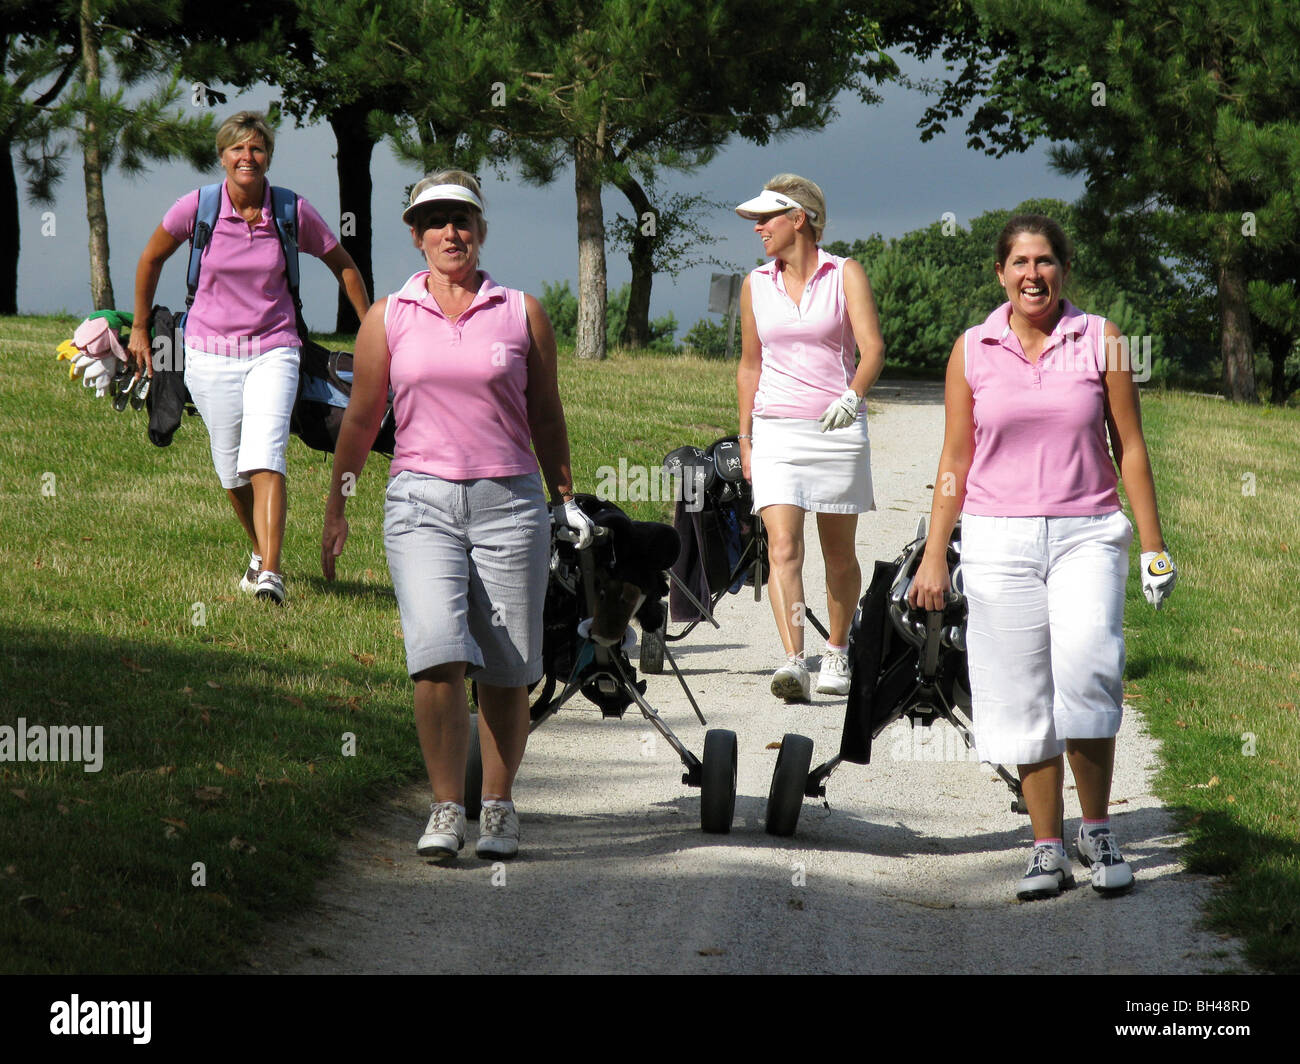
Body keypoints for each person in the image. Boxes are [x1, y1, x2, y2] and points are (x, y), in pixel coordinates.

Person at [321, 170, 595, 862]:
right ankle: (447, 808)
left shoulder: (521, 312)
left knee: (507, 668)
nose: (451, 232)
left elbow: (546, 414)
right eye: (435, 221)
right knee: (437, 655)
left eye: (462, 219)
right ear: (415, 236)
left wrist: (564, 500)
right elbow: (360, 418)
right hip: (420, 502)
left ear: (481, 229)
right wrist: (338, 505)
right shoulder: (389, 317)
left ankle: (498, 809)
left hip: (510, 504)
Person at [908, 213, 1178, 901]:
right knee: (1022, 690)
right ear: (1000, 273)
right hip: (998, 538)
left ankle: (1099, 829)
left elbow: (1132, 448)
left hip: (1087, 531)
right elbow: (955, 458)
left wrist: (1152, 545)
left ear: (1064, 270)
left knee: (1089, 667)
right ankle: (1046, 847)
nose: (1034, 274)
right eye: (1021, 262)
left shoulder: (1102, 340)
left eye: (1047, 261)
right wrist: (935, 552)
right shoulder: (972, 350)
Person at [128, 111, 370, 605]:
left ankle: (271, 576)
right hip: (207, 355)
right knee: (231, 471)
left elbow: (342, 265)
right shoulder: (196, 208)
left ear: (268, 158)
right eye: (237, 149)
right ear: (222, 157)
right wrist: (137, 325)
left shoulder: (291, 210)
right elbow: (151, 258)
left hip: (275, 349)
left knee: (266, 454)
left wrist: (372, 332)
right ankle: (259, 552)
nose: (247, 157)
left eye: (256, 149)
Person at [734, 175, 885, 702]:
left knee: (839, 553)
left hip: (837, 428)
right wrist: (746, 436)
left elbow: (872, 349)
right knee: (782, 546)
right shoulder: (754, 284)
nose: (758, 228)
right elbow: (750, 365)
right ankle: (794, 660)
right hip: (776, 428)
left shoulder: (845, 274)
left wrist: (852, 395)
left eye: (767, 218)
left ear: (798, 220)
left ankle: (837, 651)